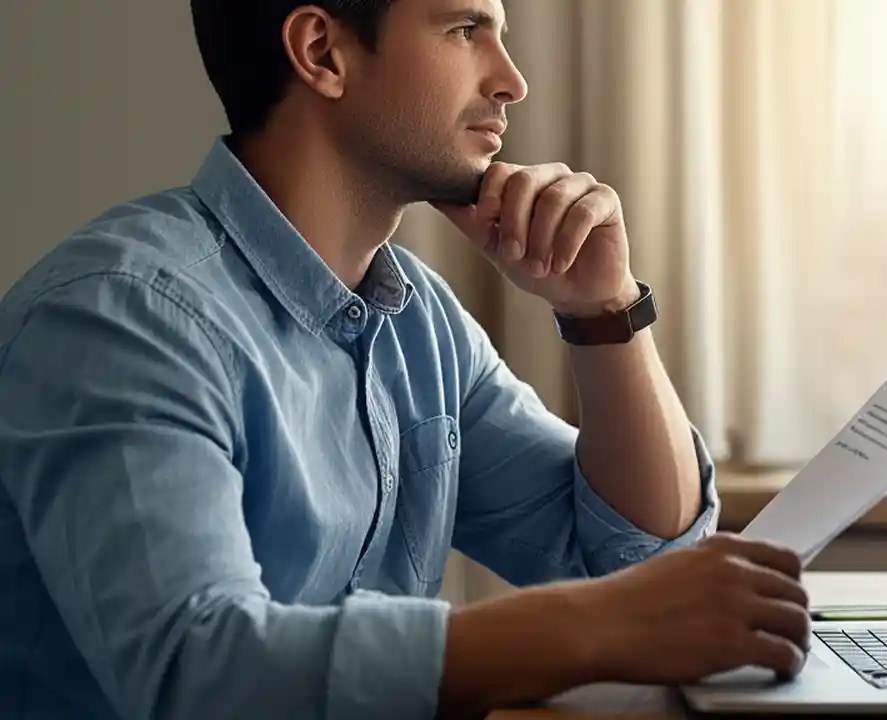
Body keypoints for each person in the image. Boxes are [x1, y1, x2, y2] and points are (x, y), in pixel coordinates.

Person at [0, 1, 811, 717]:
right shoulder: (121, 318)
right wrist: (593, 627)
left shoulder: (416, 318)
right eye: (466, 29)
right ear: (322, 53)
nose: (512, 82)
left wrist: (603, 312)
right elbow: (196, 673)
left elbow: (641, 558)